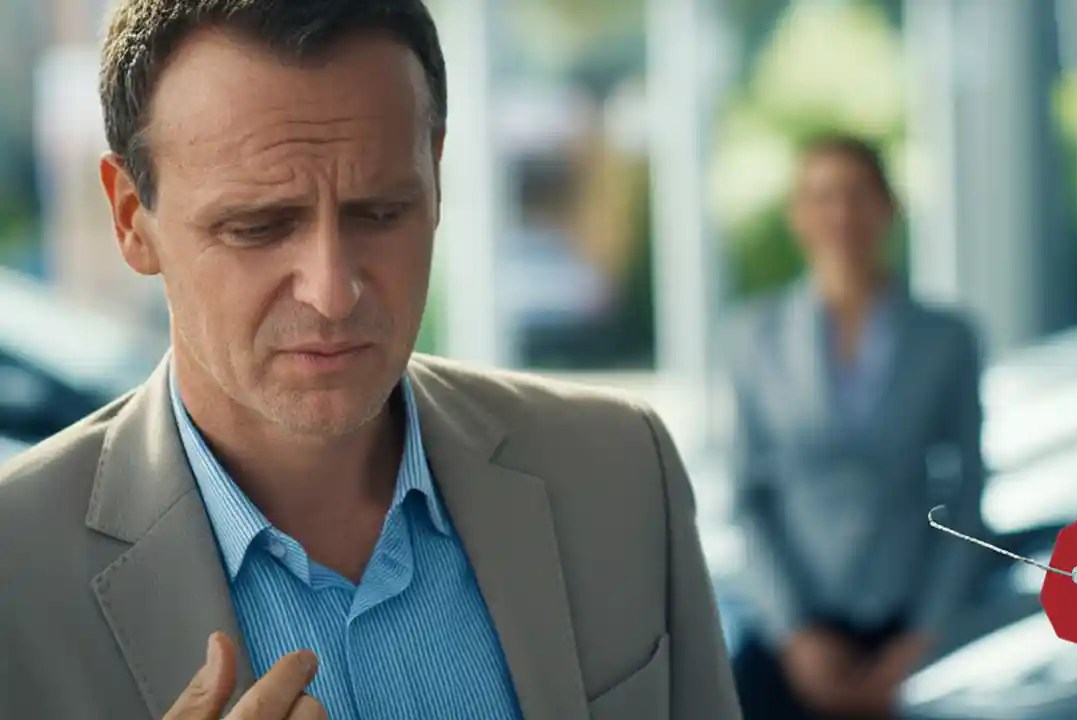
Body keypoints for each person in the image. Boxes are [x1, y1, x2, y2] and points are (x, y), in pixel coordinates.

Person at [0, 2, 741, 719]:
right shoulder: (16, 571)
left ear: (437, 176)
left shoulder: (620, 471)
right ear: (132, 218)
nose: (332, 292)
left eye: (381, 213)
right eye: (258, 227)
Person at [723, 135, 987, 719]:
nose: (841, 213)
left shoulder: (945, 339)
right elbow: (748, 497)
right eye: (821, 196)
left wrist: (922, 637)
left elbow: (966, 491)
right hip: (792, 631)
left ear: (889, 207)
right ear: (798, 215)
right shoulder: (754, 337)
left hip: (907, 626)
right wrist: (794, 633)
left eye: (858, 194)